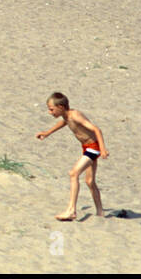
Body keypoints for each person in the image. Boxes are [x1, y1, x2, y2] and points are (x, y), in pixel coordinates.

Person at [36, 91, 108, 221]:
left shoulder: (75, 115)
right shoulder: (67, 116)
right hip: (86, 148)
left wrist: (103, 149)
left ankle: (71, 210)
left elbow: (96, 129)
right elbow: (64, 123)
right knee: (89, 181)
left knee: (73, 173)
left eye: (52, 109)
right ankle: (100, 212)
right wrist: (47, 133)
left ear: (61, 107)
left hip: (94, 147)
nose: (50, 112)